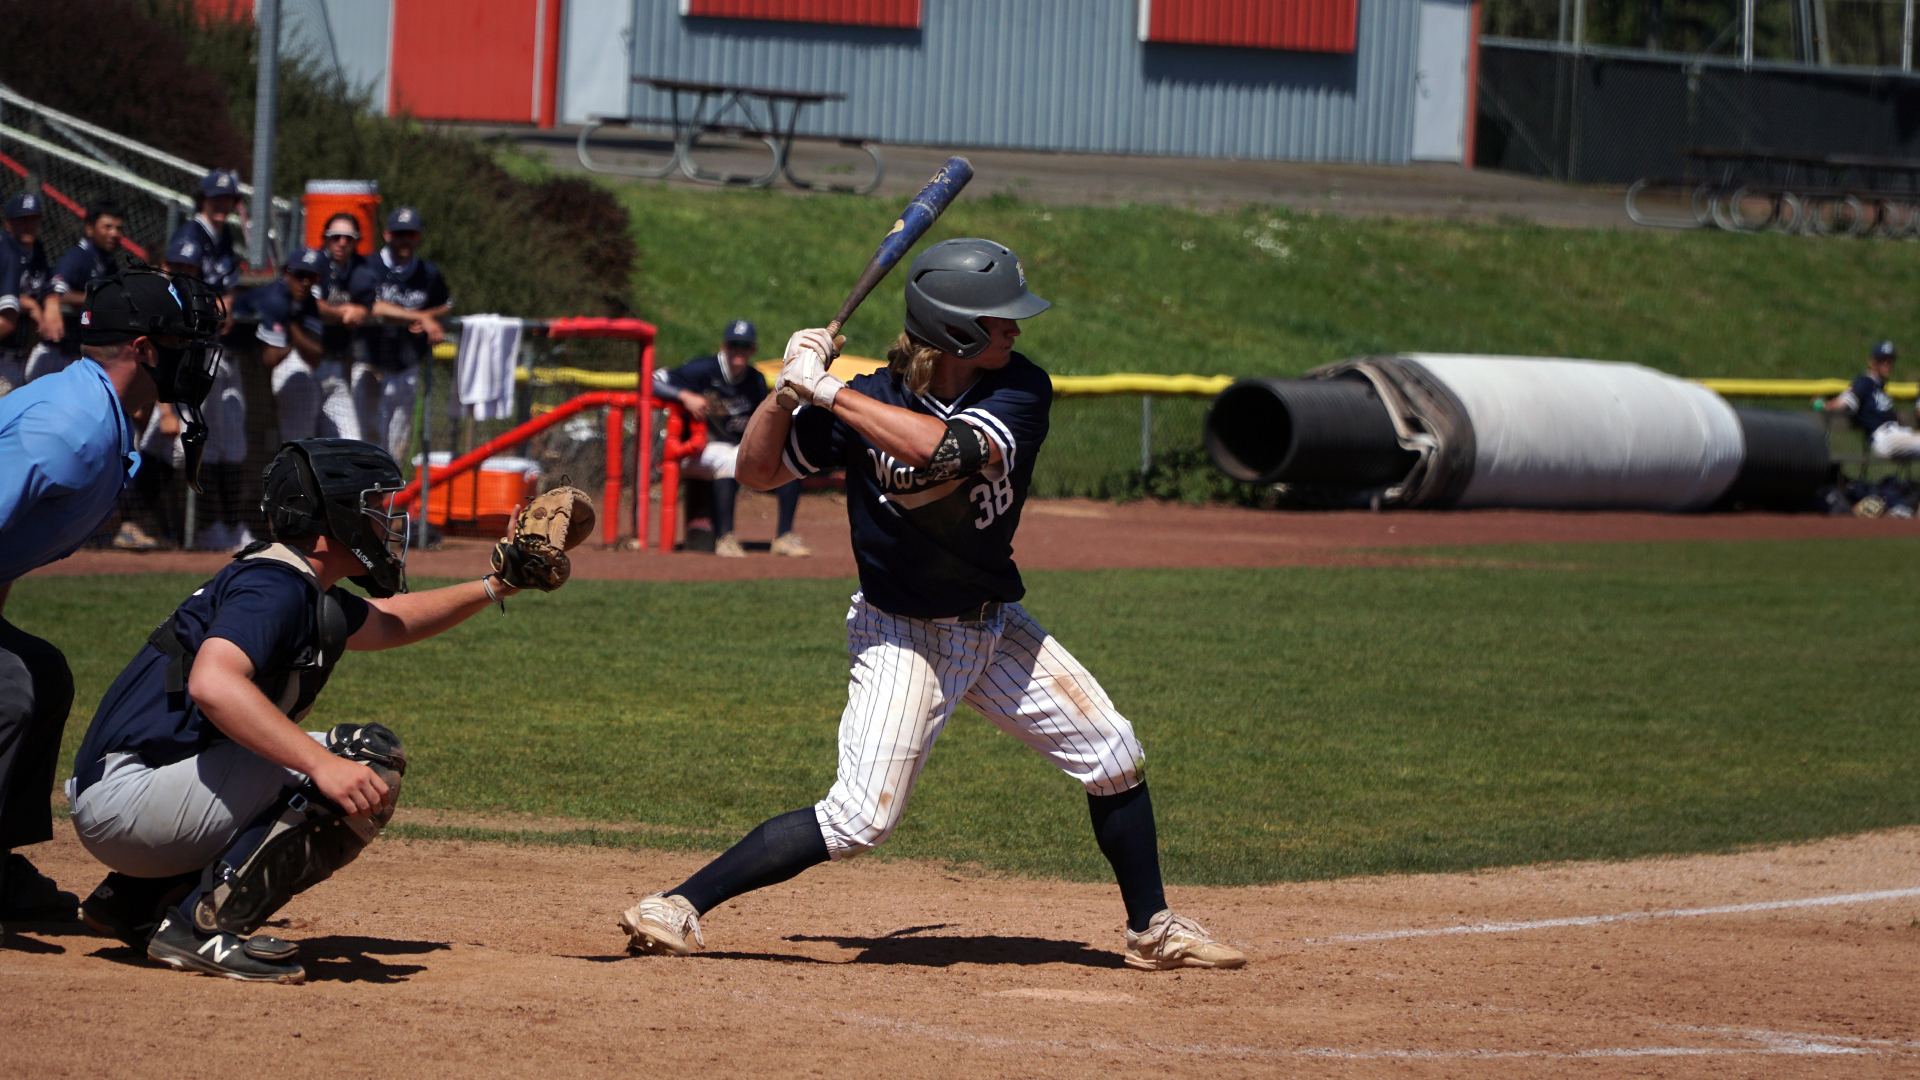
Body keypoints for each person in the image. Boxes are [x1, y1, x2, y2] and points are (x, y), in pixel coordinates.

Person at [616, 239, 1246, 972]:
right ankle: (675, 905)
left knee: (1113, 753)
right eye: (1000, 317)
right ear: (956, 329)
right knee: (859, 818)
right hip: (901, 634)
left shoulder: (1019, 387)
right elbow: (757, 471)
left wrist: (828, 392)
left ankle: (1152, 930)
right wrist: (786, 393)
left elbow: (944, 451)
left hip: (992, 624)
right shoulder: (871, 396)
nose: (1016, 328)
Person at [67, 439, 563, 983]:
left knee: (335, 762)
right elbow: (213, 683)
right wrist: (321, 764)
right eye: (374, 507)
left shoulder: (292, 583)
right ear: (336, 516)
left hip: (132, 794)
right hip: (132, 800)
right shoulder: (274, 587)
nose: (387, 522)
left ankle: (136, 904)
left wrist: (497, 585)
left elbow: (390, 621)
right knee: (366, 760)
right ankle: (202, 928)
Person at [0, 268, 222, 929]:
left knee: (40, 672)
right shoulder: (70, 427)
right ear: (145, 349)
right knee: (10, 687)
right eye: (181, 342)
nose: (194, 357)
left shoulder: (99, 414)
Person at [652, 319, 809, 558]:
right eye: (734, 345)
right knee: (727, 459)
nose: (739, 351)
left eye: (745, 346)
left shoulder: (755, 380)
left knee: (787, 460)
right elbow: (652, 380)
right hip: (690, 451)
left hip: (733, 450)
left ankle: (784, 538)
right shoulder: (701, 370)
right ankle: (725, 539)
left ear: (753, 349)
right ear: (724, 346)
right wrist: (684, 396)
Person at [349, 207, 450, 463]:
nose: (405, 239)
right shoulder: (368, 265)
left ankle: (389, 488)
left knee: (398, 440)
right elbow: (372, 306)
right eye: (399, 233)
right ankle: (363, 486)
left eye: (411, 234)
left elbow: (446, 305)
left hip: (406, 364)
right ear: (387, 235)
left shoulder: (427, 272)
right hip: (369, 362)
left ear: (418, 237)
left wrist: (428, 315)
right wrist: (419, 317)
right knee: (364, 435)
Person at [236, 247, 327, 442]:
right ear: (287, 273)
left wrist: (293, 332)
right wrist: (297, 335)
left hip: (245, 361)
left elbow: (316, 356)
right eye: (300, 275)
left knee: (234, 443)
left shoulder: (308, 301)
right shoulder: (275, 299)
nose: (305, 282)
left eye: (311, 277)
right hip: (224, 352)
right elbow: (271, 358)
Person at [35, 199, 126, 381]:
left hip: (78, 355)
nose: (114, 233)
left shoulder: (108, 264)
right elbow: (58, 293)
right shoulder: (78, 257)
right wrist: (98, 300)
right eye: (107, 227)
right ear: (90, 228)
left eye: (119, 228)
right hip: (55, 354)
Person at [310, 212, 369, 442]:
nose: (342, 242)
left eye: (348, 238)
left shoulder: (361, 268)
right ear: (325, 238)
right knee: (299, 439)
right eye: (336, 237)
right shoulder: (313, 262)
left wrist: (363, 310)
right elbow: (310, 304)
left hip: (334, 367)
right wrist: (342, 314)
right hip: (304, 362)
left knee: (350, 439)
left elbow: (374, 303)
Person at [1824, 340, 1920, 459]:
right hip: (1884, 438)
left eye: (1890, 360)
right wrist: (1826, 404)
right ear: (1873, 362)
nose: (1887, 363)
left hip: (1896, 435)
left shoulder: (1879, 387)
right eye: (1883, 360)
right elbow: (1844, 401)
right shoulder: (1865, 382)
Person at [0, 193, 54, 396]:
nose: (29, 225)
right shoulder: (5, 250)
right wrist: (29, 304)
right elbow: (7, 317)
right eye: (22, 220)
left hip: (20, 359)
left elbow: (49, 286)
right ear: (8, 223)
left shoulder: (36, 251)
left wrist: (51, 303)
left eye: (33, 219)